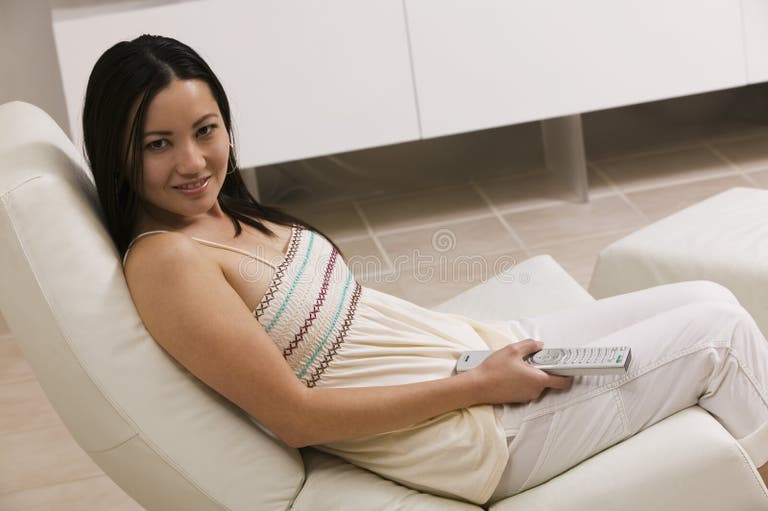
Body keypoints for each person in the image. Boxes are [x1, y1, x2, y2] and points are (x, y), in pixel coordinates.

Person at [83, 34, 768, 505]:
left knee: (710, 294)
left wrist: (476, 363)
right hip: (471, 428)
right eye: (158, 144)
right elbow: (295, 415)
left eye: (206, 130)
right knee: (721, 337)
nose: (194, 161)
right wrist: (476, 386)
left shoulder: (221, 214)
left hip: (474, 352)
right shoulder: (167, 259)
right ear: (119, 153)